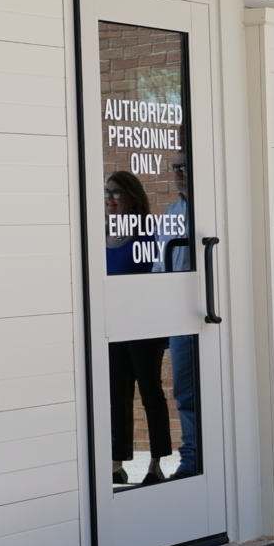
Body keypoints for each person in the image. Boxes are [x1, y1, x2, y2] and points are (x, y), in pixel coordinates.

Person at [105, 171, 171, 485]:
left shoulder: (148, 233)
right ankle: (116, 463)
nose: (110, 199)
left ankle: (155, 464)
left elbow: (160, 277)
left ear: (132, 196)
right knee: (116, 395)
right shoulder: (98, 235)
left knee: (149, 393)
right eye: (107, 193)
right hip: (113, 326)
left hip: (144, 326)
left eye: (117, 193)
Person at [152, 152, 198, 481]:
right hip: (180, 321)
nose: (179, 173)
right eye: (176, 168)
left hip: (212, 317)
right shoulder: (171, 213)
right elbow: (159, 270)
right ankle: (192, 462)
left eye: (185, 167)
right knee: (186, 393)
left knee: (218, 390)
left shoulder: (210, 207)